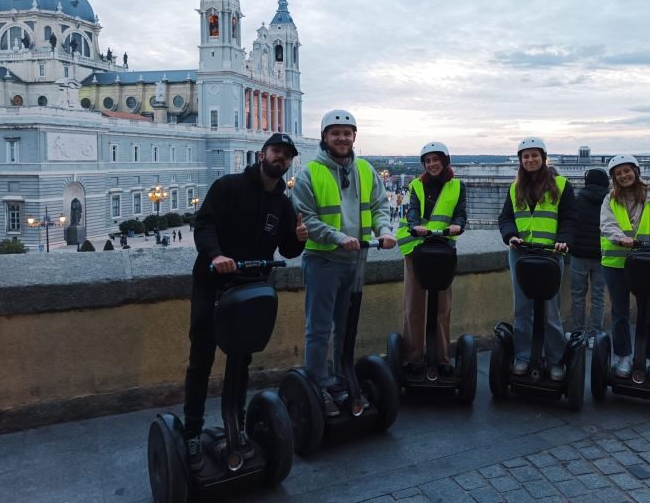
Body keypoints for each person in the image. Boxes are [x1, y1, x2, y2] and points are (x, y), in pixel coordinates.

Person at [183, 132, 307, 469]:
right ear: (263, 153)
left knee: (240, 361)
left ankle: (234, 425)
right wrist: (217, 255)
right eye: (276, 151)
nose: (280, 159)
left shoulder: (283, 203)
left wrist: (298, 239)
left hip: (250, 289)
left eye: (286, 155)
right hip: (213, 284)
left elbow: (287, 249)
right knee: (201, 359)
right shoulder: (228, 187)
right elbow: (204, 224)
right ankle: (192, 432)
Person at [291, 109, 396, 417]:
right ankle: (318, 386)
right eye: (335, 133)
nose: (341, 138)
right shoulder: (310, 173)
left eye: (347, 133)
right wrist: (336, 236)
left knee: (346, 328)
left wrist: (385, 231)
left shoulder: (366, 169)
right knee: (319, 328)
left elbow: (379, 205)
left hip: (356, 261)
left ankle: (341, 378)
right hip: (323, 261)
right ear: (325, 137)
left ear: (354, 137)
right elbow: (306, 218)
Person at [498, 137, 575, 381]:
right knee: (522, 308)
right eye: (525, 156)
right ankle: (523, 356)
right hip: (520, 253)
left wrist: (563, 239)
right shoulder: (515, 187)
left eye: (534, 155)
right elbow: (506, 218)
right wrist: (510, 235)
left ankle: (555, 359)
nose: (530, 160)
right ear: (521, 160)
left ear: (543, 157)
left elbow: (569, 218)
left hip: (550, 254)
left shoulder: (561, 185)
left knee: (551, 310)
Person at [600, 154, 650, 382]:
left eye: (627, 171)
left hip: (647, 264)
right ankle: (623, 357)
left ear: (636, 171)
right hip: (616, 263)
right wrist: (619, 237)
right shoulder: (610, 200)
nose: (624, 176)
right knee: (620, 313)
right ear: (614, 178)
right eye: (618, 173)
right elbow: (606, 225)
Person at [397, 142, 467, 378]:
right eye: (428, 161)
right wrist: (416, 225)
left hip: (442, 249)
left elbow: (460, 212)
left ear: (445, 161)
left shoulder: (458, 186)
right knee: (414, 306)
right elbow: (412, 211)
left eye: (436, 159)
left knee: (442, 307)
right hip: (416, 248)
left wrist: (459, 225)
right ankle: (413, 357)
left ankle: (442, 358)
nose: (432, 164)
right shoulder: (416, 185)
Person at [569, 168, 610, 349]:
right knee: (598, 297)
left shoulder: (577, 200)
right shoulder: (610, 202)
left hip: (579, 256)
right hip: (602, 256)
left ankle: (577, 333)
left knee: (577, 296)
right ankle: (595, 335)